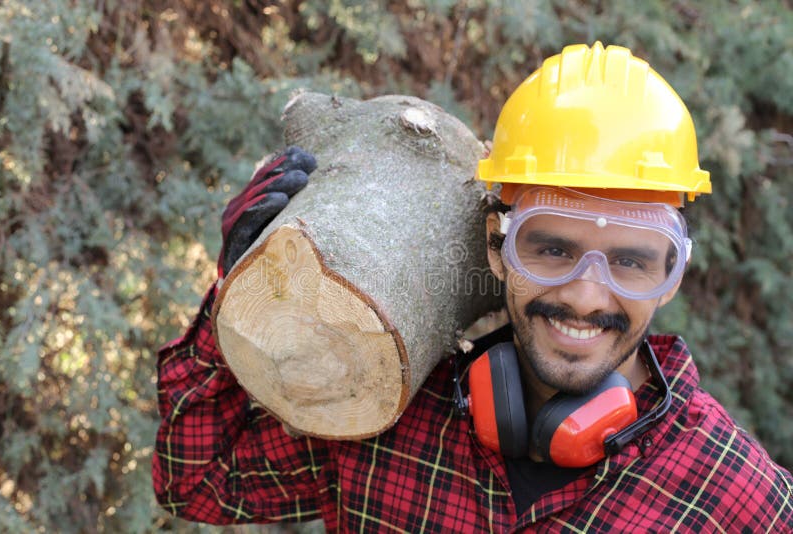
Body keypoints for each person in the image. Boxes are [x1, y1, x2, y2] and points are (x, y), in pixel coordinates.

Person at [153, 43, 793, 532]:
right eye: (550, 249)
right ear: (496, 245)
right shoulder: (389, 414)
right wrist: (243, 288)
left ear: (671, 273)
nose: (586, 296)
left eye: (630, 261)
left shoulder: (738, 498)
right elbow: (195, 482)